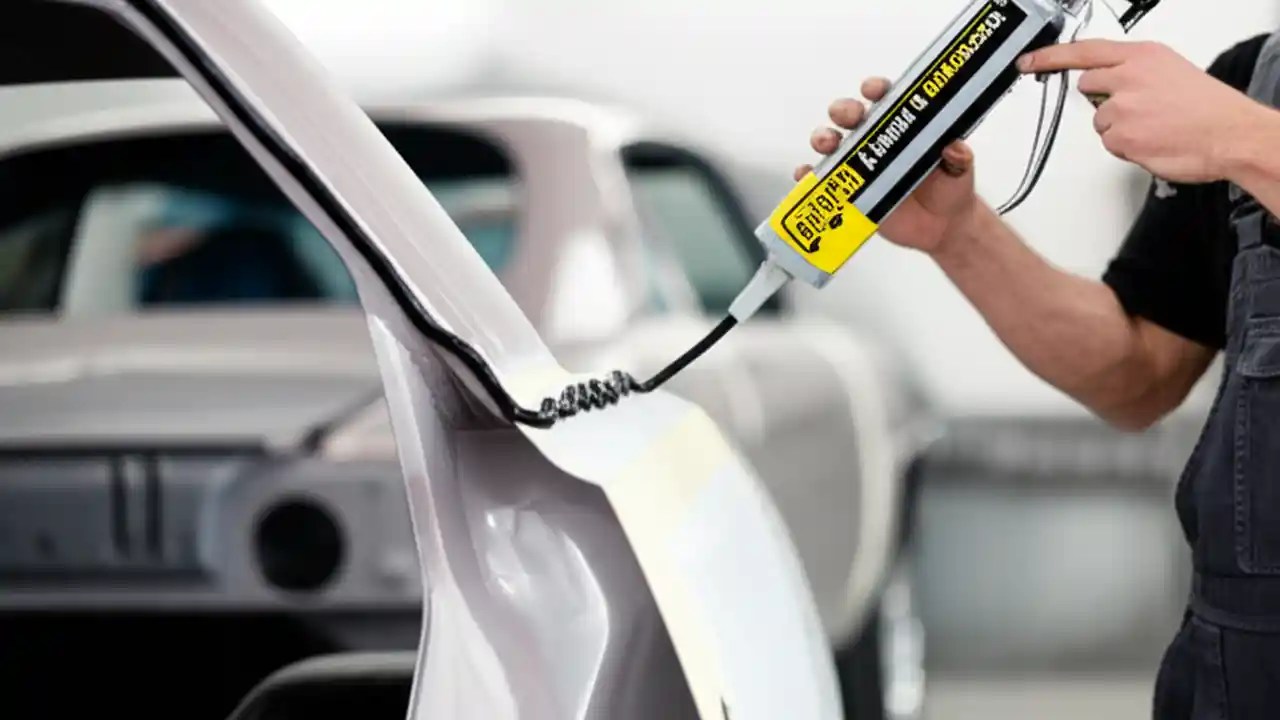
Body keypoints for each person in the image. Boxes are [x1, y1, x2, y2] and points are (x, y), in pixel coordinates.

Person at [800, 31, 1280, 719]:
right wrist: (957, 233)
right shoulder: (1251, 78)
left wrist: (1249, 142)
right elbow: (1137, 374)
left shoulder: (1234, 117)